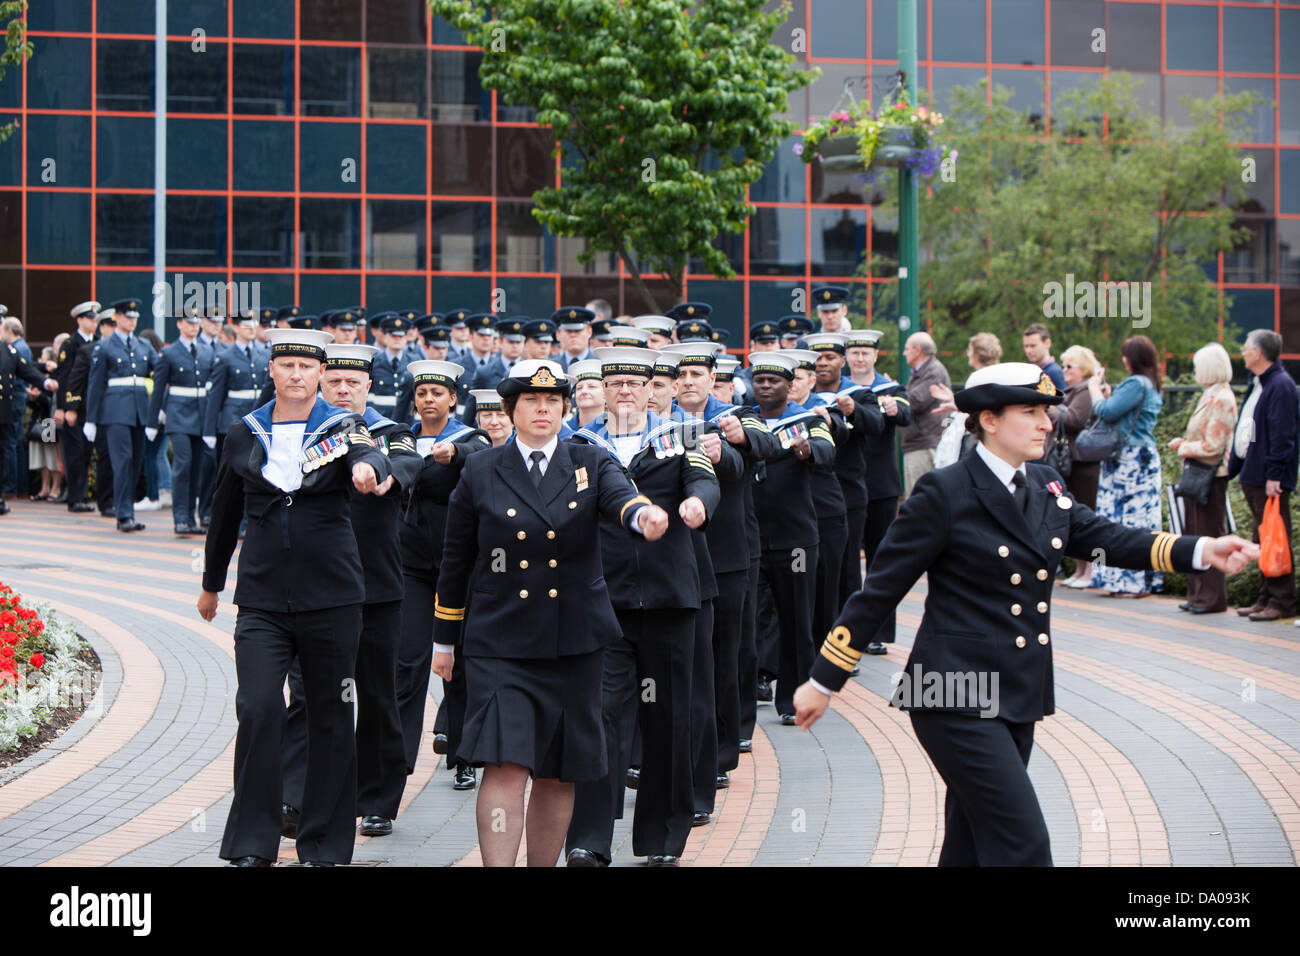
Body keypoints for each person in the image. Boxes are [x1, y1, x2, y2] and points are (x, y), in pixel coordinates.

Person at [792, 362, 1260, 866]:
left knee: (971, 842)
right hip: (951, 694)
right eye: (1031, 412)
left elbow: (1108, 539)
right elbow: (879, 591)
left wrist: (1201, 548)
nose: (1046, 423)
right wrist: (823, 680)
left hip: (1017, 691)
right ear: (988, 420)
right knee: (1025, 844)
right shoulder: (945, 492)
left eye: (1047, 412)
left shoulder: (1046, 485)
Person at [432, 359, 668, 866]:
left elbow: (621, 499)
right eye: (532, 401)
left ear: (565, 408)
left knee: (560, 768)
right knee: (507, 764)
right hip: (501, 640)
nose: (544, 409)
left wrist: (643, 514)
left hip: (573, 640)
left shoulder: (589, 461)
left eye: (554, 402)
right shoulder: (481, 469)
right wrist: (444, 640)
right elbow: (455, 560)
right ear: (511, 409)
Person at [197, 328, 392, 867]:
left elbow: (373, 456)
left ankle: (324, 845)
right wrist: (213, 583)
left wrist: (368, 469)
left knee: (330, 714)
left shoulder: (342, 426)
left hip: (331, 597)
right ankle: (252, 844)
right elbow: (224, 511)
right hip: (261, 599)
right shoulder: (245, 431)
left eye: (307, 367)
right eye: (287, 366)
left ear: (320, 374)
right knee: (258, 708)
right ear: (273, 371)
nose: (297, 375)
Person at [565, 346, 719, 867]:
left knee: (666, 717)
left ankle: (660, 838)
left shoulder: (680, 435)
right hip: (603, 600)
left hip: (670, 598)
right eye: (617, 383)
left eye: (635, 382)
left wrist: (697, 503)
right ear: (604, 391)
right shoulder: (580, 444)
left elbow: (703, 477)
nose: (626, 390)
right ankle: (589, 838)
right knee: (598, 715)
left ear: (652, 386)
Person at [280, 343, 422, 841]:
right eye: (334, 381)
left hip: (374, 588)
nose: (343, 389)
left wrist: (381, 475)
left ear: (369, 387)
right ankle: (295, 797)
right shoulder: (300, 435)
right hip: (312, 589)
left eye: (352, 383)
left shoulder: (391, 433)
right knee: (306, 694)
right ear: (321, 382)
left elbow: (408, 466)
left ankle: (378, 800)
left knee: (378, 694)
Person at [395, 358, 490, 792]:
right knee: (408, 661)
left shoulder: (467, 439)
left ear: (454, 398)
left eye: (437, 393)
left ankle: (464, 754)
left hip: (460, 568)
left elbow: (484, 450)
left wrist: (453, 453)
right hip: (411, 566)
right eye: (421, 393)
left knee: (462, 662)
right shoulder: (400, 439)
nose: (428, 400)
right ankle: (394, 765)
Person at [749, 350, 835, 724]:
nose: (766, 387)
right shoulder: (742, 419)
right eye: (760, 380)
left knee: (797, 620)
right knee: (751, 621)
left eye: (774, 381)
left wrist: (806, 449)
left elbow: (826, 448)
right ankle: (751, 690)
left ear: (789, 385)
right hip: (752, 538)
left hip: (795, 539)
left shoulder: (805, 420)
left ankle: (794, 699)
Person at [846, 328, 912, 654]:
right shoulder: (838, 390)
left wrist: (894, 407)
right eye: (854, 352)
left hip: (880, 486)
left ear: (875, 356)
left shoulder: (890, 388)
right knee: (846, 561)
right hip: (846, 487)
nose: (859, 358)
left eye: (865, 353)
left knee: (880, 559)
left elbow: (907, 412)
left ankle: (877, 631)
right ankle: (846, 626)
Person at [1230, 329, 1299, 621]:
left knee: (1275, 535)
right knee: (1264, 536)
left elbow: (1284, 434)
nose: (1242, 353)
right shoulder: (1259, 383)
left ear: (1258, 353)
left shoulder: (1280, 385)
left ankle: (1282, 600)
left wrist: (1275, 474)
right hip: (1254, 472)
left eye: (1246, 348)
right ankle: (1267, 596)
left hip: (1267, 478)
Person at [1086, 335, 1163, 597]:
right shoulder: (1149, 384)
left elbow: (1106, 413)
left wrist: (1094, 389)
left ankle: (1125, 581)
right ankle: (1140, 580)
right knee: (1140, 519)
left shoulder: (1135, 383)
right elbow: (1120, 412)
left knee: (1122, 520)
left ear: (1131, 359)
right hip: (1141, 458)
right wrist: (1109, 397)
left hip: (1127, 461)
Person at [1168, 343, 1238, 615]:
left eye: (1198, 366)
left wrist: (1183, 446)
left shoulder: (1222, 398)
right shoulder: (1210, 395)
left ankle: (1211, 598)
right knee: (1195, 534)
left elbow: (1214, 446)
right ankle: (1197, 594)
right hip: (1198, 473)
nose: (1195, 370)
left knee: (1209, 535)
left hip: (1211, 476)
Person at [83, 299, 159, 533]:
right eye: (128, 317)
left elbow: (160, 373)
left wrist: (157, 411)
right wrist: (91, 418)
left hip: (139, 411)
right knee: (123, 462)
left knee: (135, 464)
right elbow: (95, 385)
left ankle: (128, 512)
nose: (132, 321)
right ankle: (123, 513)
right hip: (115, 412)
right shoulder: (104, 346)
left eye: (135, 317)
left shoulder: (144, 345)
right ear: (117, 317)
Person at [148, 308, 217, 535]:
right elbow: (158, 389)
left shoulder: (208, 352)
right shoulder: (169, 353)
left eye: (196, 323)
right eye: (189, 322)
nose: (193, 326)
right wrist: (152, 420)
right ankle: (180, 517)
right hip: (177, 415)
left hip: (200, 415)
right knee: (183, 464)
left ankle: (190, 518)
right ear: (179, 324)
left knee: (198, 468)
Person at [1055, 345, 1100, 587]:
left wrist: (1051, 410)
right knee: (1075, 516)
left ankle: (1090, 570)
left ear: (1083, 368)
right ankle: (1080, 570)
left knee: (1086, 516)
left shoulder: (1085, 390)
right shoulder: (1073, 390)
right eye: (1063, 365)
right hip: (1073, 462)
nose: (1064, 370)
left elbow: (1075, 420)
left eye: (1069, 366)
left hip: (1085, 463)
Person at [1, 336, 57, 514]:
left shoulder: (7, 349)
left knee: (1, 453)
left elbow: (24, 368)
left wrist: (45, 381)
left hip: (2, 411)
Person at [931, 332, 1002, 468]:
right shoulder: (1000, 374)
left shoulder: (977, 378)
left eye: (970, 350)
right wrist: (954, 401)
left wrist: (957, 404)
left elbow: (977, 408)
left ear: (977, 354)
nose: (968, 353)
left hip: (978, 436)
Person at [900, 331, 950, 497]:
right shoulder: (923, 371)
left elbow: (915, 401)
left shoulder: (933, 371)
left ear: (917, 350)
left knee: (920, 499)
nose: (904, 353)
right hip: (918, 442)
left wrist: (895, 396)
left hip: (923, 444)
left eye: (907, 349)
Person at [27, 347, 62, 501]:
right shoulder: (38, 377)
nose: (40, 360)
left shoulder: (56, 378)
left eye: (43, 357)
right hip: (38, 419)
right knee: (41, 458)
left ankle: (56, 488)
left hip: (49, 420)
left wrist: (40, 397)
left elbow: (52, 403)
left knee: (51, 457)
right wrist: (33, 399)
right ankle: (44, 488)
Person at [1023, 322, 1067, 394]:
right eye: (1026, 346)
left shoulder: (1055, 372)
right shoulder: (1033, 372)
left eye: (1033, 346)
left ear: (1047, 343)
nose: (1028, 350)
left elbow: (1064, 402)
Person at [565, 358, 605, 429]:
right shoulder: (564, 429)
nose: (584, 391)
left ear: (605, 392)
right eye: (579, 388)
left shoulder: (615, 429)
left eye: (591, 386)